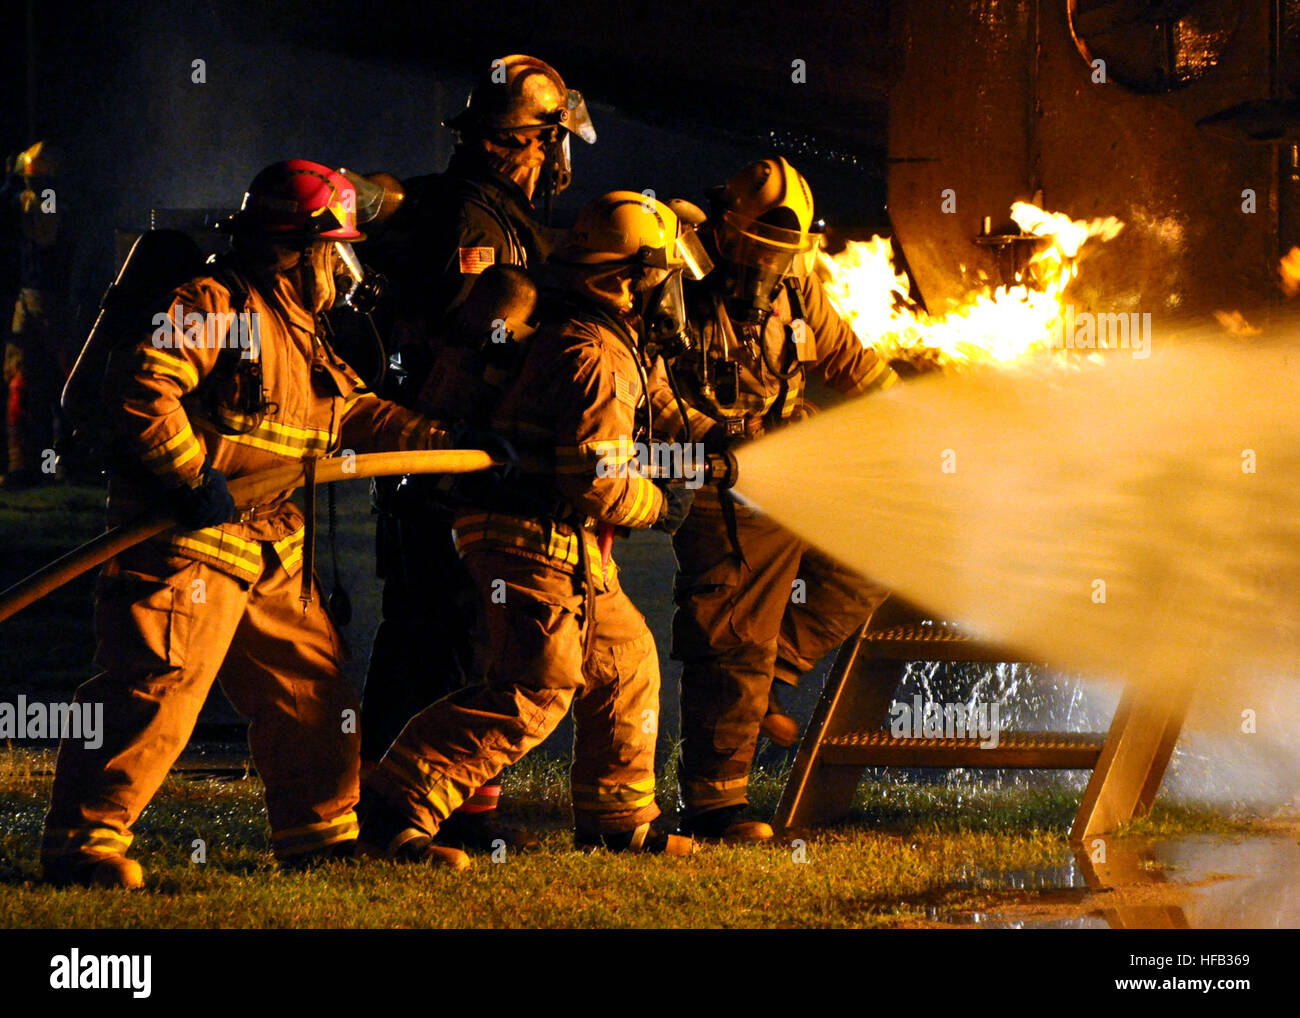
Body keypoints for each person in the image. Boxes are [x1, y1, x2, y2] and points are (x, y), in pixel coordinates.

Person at [41, 160, 454, 888]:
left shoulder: (302, 326)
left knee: (313, 689)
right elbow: (143, 384)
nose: (341, 266)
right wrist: (192, 476)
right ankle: (83, 845)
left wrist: (437, 439)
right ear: (296, 248)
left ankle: (319, 836)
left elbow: (348, 412)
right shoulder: (213, 302)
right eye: (334, 250)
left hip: (271, 543)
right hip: (186, 542)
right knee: (154, 687)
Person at [358, 192, 710, 864]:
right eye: (660, 276)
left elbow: (650, 415)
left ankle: (619, 817)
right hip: (531, 538)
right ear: (623, 278)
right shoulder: (594, 351)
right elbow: (597, 478)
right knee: (537, 685)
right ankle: (392, 806)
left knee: (626, 660)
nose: (669, 294)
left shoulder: (591, 334)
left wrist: (708, 445)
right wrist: (659, 505)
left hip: (555, 539)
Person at [353, 56, 595, 850]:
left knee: (441, 633)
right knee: (442, 639)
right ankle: (409, 814)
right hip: (449, 465)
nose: (554, 163)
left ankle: (427, 809)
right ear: (515, 143)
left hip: (444, 461)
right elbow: (479, 347)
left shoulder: (481, 210)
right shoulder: (476, 224)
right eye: (547, 143)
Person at [655, 158, 899, 843]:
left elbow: (853, 363)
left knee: (872, 555)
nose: (766, 266)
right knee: (731, 634)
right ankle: (714, 809)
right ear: (726, 230)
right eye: (756, 247)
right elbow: (646, 389)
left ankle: (773, 676)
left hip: (788, 471)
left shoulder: (800, 285)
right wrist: (711, 438)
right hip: (714, 480)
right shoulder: (675, 279)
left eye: (779, 253)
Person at [1, 141, 71, 488]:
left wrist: (12, 188)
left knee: (58, 382)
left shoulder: (50, 201)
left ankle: (59, 464)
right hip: (31, 297)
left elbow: (42, 232)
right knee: (20, 380)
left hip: (49, 300)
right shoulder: (43, 198)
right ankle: (23, 465)